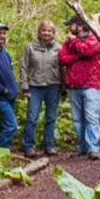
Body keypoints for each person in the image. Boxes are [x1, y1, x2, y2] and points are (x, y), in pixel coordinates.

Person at [60, 15, 100, 161]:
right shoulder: (68, 43)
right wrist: (76, 56)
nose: (69, 28)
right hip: (74, 85)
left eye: (71, 25)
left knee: (91, 117)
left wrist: (74, 44)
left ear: (80, 25)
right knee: (77, 119)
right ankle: (81, 148)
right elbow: (62, 58)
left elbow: (88, 51)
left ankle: (93, 148)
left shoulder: (95, 38)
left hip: (91, 85)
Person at [19, 20, 63, 157]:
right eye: (44, 30)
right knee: (32, 117)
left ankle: (49, 146)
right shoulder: (30, 47)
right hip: (35, 86)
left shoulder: (58, 48)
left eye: (49, 31)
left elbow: (63, 68)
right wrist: (25, 87)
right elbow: (23, 67)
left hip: (53, 86)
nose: (46, 33)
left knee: (51, 117)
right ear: (39, 32)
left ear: (53, 33)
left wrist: (64, 87)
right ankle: (28, 146)